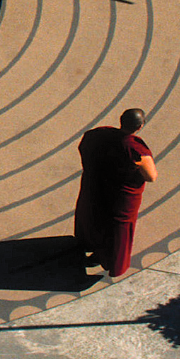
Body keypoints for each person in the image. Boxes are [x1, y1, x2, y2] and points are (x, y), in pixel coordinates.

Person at [74, 107, 158, 277]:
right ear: (140, 126)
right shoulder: (134, 147)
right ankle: (108, 259)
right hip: (119, 196)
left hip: (96, 187)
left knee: (94, 217)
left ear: (121, 119)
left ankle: (90, 246)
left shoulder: (97, 134)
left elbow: (83, 148)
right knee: (117, 229)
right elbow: (151, 176)